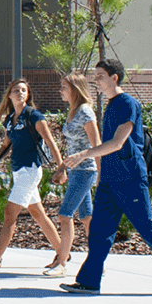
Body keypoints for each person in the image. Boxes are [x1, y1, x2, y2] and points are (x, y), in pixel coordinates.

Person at [61, 58, 152, 296]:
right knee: (99, 231)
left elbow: (117, 143)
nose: (95, 81)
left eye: (99, 76)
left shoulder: (128, 103)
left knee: (146, 227)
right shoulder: (111, 105)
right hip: (109, 179)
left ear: (114, 77)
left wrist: (83, 155)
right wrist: (99, 174)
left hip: (129, 178)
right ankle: (89, 282)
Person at [0, 78, 68, 274]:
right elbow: (6, 144)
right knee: (38, 214)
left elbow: (50, 141)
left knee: (10, 214)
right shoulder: (10, 119)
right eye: (16, 90)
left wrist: (61, 168)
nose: (20, 93)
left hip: (31, 170)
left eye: (24, 90)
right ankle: (62, 251)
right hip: (18, 171)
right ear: (9, 95)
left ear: (28, 95)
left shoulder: (34, 116)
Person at [50, 73, 102, 272]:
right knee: (87, 217)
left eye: (64, 86)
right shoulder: (72, 111)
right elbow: (72, 146)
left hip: (85, 171)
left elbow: (96, 144)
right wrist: (62, 168)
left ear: (75, 89)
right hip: (74, 171)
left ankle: (61, 262)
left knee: (65, 214)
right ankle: (98, 261)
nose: (60, 90)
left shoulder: (86, 112)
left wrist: (100, 175)